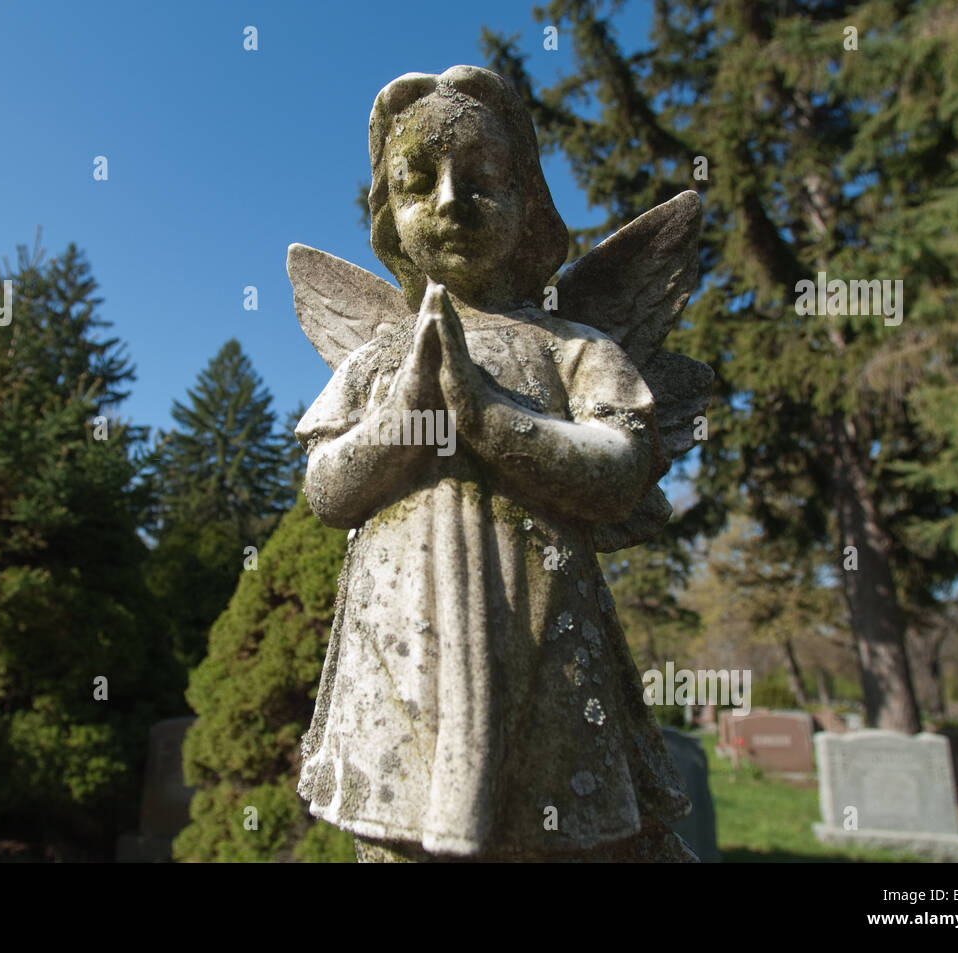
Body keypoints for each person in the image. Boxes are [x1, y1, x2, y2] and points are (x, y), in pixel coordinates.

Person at [294, 66, 695, 862]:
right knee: (395, 842)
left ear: (528, 202)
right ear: (390, 216)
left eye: (479, 177)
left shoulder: (570, 347)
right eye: (418, 182)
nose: (450, 200)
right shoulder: (378, 358)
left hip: (544, 641)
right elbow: (327, 487)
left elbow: (621, 466)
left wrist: (491, 416)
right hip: (398, 652)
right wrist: (405, 415)